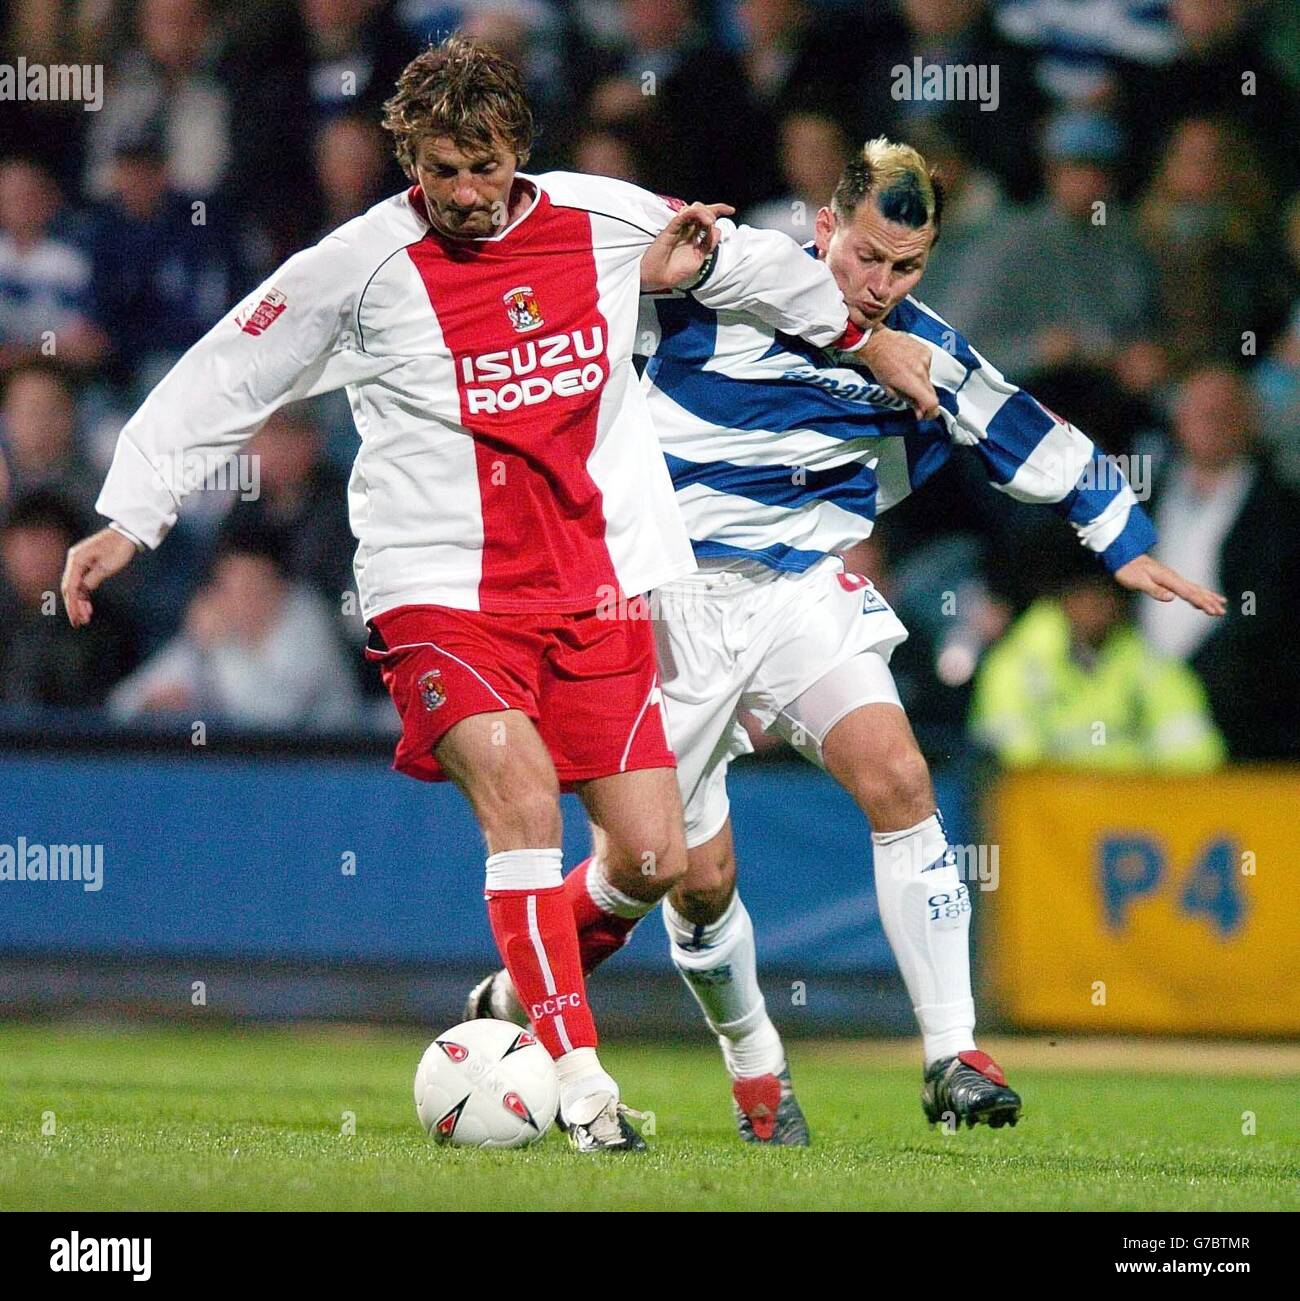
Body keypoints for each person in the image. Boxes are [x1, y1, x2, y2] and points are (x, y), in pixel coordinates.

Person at [60, 36, 909, 1153]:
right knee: (517, 794)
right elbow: (228, 369)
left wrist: (860, 333)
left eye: (486, 166)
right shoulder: (358, 266)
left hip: (596, 587)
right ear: (407, 156)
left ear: (520, 152)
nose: (465, 193)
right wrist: (133, 512)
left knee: (655, 859)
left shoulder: (600, 217)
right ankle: (583, 1076)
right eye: (443, 169)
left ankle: (516, 999)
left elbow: (740, 259)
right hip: (438, 588)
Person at [466, 136, 1224, 1143]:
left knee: (899, 778)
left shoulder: (919, 348)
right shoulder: (716, 287)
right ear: (823, 229)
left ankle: (953, 1053)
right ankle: (684, 1042)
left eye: (905, 266)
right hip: (663, 598)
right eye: (865, 255)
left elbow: (1021, 426)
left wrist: (1121, 537)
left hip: (799, 593)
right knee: (671, 872)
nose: (880, 282)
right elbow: (593, 261)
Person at [969, 542, 1226, 773]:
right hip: (1044, 811)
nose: (1095, 605)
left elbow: (1195, 751)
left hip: (1128, 808)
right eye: (1083, 593)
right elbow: (1007, 751)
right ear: (1063, 598)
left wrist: (1128, 785)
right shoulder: (1014, 663)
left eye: (1106, 594)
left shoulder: (1148, 664)